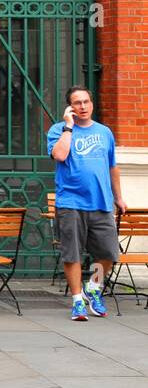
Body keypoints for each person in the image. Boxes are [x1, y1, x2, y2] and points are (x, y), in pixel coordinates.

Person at [48, 85, 125, 321]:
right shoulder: (58, 130)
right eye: (77, 103)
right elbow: (60, 155)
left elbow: (112, 167)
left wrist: (119, 197)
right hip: (71, 201)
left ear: (92, 104)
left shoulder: (104, 132)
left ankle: (93, 286)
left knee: (109, 253)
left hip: (101, 202)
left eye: (86, 102)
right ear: (70, 107)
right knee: (72, 255)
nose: (82, 106)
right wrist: (68, 127)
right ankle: (78, 301)